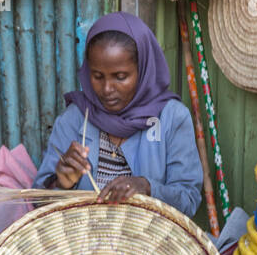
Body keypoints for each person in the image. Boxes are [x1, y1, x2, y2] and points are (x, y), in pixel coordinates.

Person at [33, 11, 203, 218]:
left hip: (151, 245)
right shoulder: (75, 118)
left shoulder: (171, 118)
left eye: (120, 77)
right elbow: (39, 206)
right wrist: (61, 184)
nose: (106, 89)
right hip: (83, 244)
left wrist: (148, 187)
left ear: (143, 71)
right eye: (97, 76)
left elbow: (189, 200)